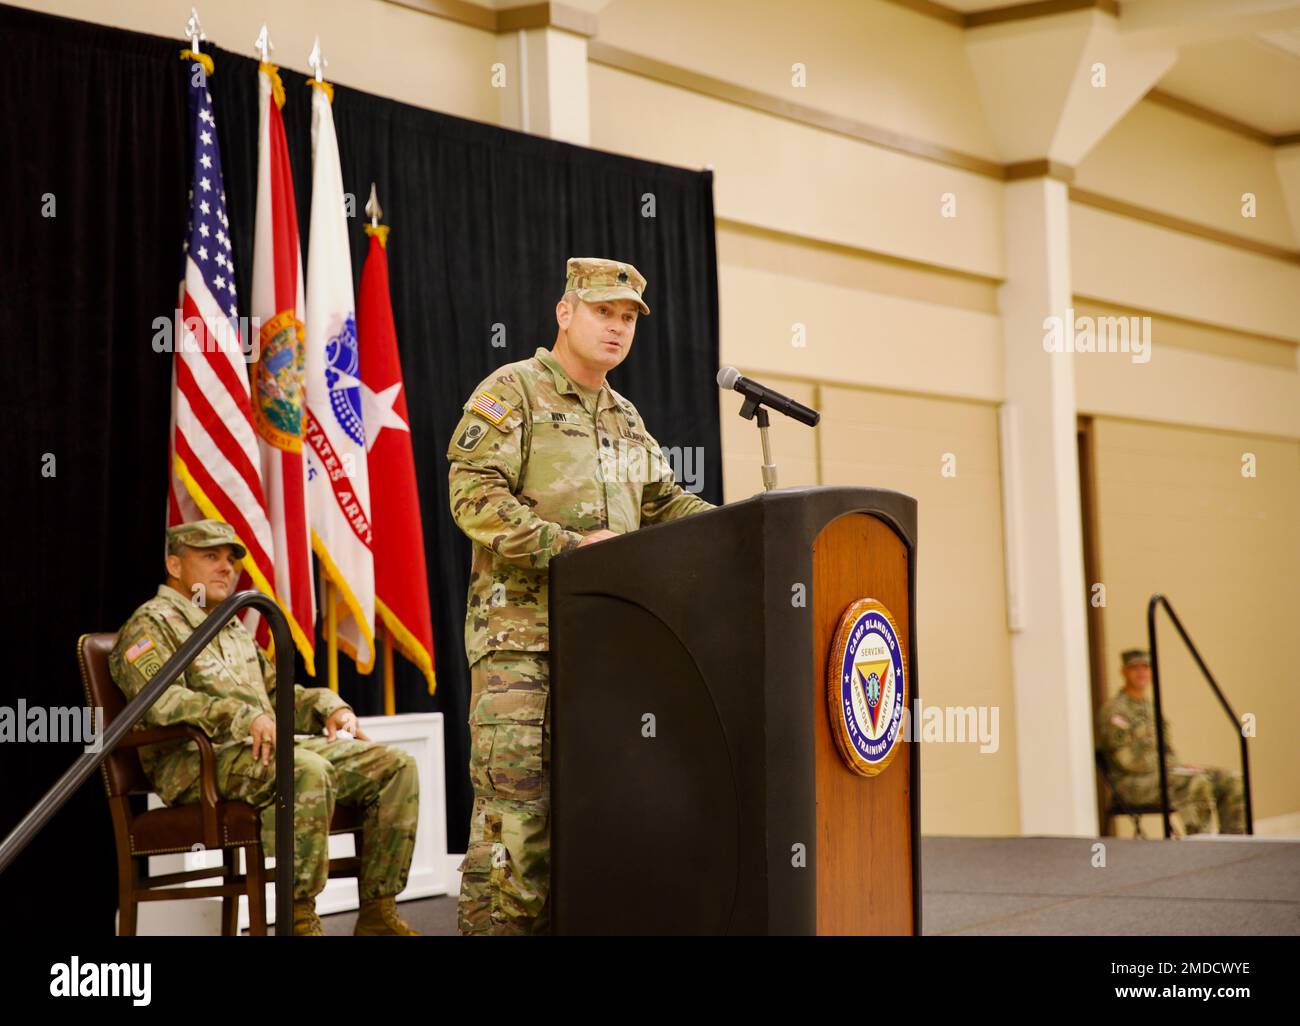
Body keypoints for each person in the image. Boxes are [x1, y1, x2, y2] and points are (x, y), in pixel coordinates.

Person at [446, 256, 717, 935]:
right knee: (518, 823)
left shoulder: (623, 417)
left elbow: (662, 502)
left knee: (602, 813)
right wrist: (567, 548)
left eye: (628, 318)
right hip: (521, 646)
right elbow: (472, 497)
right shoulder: (514, 391)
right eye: (603, 312)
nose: (617, 328)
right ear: (565, 313)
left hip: (608, 650)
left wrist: (746, 527)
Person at [109, 518, 421, 935]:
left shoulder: (230, 624)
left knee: (394, 766)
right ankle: (298, 917)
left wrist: (331, 708)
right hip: (193, 762)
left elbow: (278, 694)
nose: (226, 567)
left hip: (260, 752)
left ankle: (378, 912)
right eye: (210, 557)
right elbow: (162, 703)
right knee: (306, 771)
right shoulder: (150, 624)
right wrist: (242, 717)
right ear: (175, 565)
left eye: (230, 559)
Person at [1097, 648, 1245, 835]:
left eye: (1146, 667)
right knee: (1195, 782)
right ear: (1124, 672)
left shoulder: (1151, 708)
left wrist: (1178, 767)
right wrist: (1170, 767)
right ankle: (1202, 846)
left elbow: (1166, 749)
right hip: (1133, 784)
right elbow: (1127, 761)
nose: (1141, 672)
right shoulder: (1115, 711)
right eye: (1135, 668)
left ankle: (1234, 845)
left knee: (1231, 780)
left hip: (1162, 775)